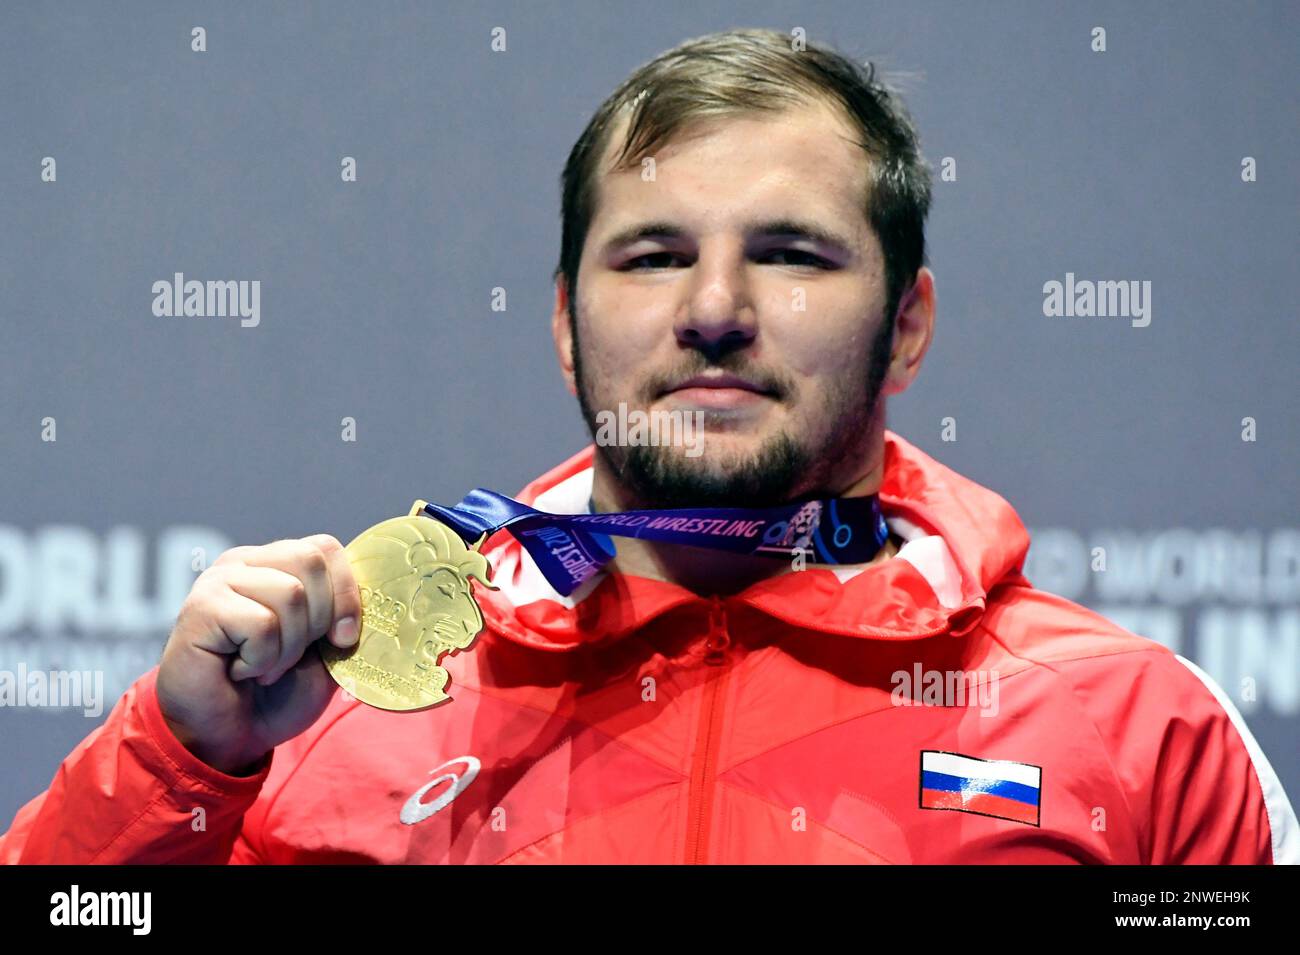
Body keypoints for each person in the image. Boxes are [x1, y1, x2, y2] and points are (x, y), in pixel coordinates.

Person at [2, 28, 1294, 864]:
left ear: (908, 327)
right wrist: (182, 761)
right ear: (566, 326)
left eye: (789, 256)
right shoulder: (334, 713)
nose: (715, 310)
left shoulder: (1137, 732)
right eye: (653, 256)